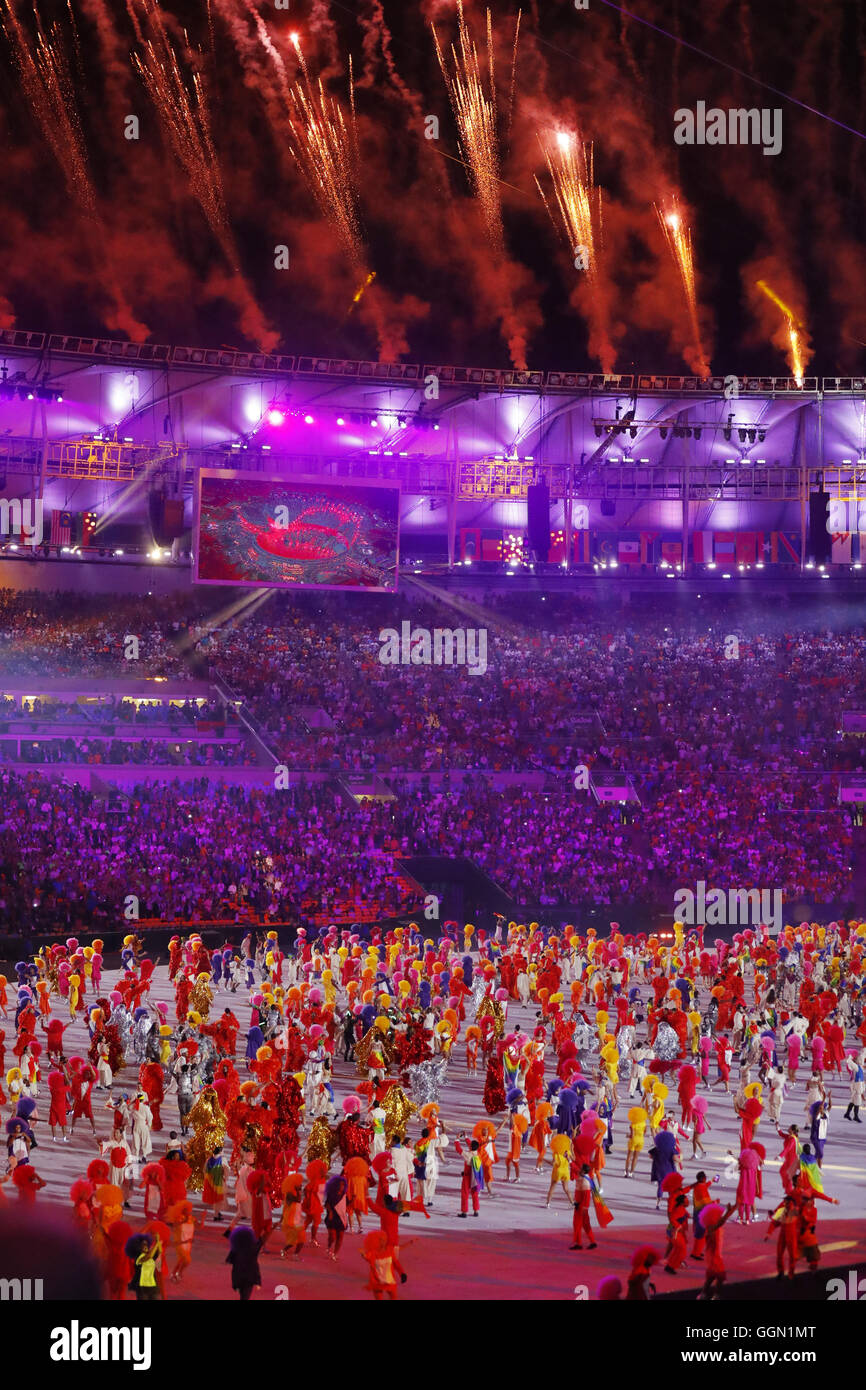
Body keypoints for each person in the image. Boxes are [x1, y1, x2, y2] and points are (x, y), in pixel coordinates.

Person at [226, 1224, 263, 1300]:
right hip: (249, 1278)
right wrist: (258, 1282)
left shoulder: (236, 1250)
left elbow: (232, 1265)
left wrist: (235, 1284)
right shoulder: (252, 1251)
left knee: (243, 1295)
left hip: (239, 1277)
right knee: (245, 1296)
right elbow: (255, 1267)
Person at [570, 1165, 597, 1251]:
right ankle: (592, 1242)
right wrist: (569, 1160)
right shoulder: (584, 1176)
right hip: (582, 1207)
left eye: (581, 1169)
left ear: (584, 1171)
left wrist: (580, 1206)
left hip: (581, 1207)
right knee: (586, 1225)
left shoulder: (585, 1181)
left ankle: (578, 1243)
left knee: (577, 1224)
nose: (579, 1170)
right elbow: (575, 1168)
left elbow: (586, 1198)